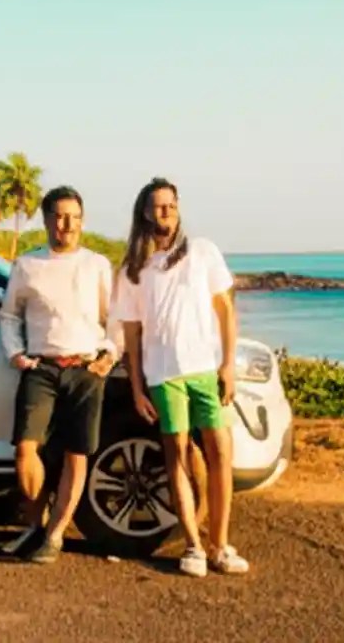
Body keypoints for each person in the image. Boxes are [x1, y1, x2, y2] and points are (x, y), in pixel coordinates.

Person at [110, 177, 249, 577]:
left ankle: (220, 545)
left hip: (205, 369)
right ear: (144, 213)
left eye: (170, 205)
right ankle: (192, 545)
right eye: (157, 206)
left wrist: (228, 365)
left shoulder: (203, 252)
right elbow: (132, 335)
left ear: (179, 208)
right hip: (163, 375)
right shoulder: (134, 270)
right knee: (177, 456)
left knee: (220, 453)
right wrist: (136, 387)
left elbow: (225, 309)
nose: (165, 212)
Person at [0, 185, 119, 563]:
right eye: (60, 216)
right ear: (47, 220)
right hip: (42, 369)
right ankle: (34, 523)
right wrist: (15, 352)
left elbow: (113, 318)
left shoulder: (96, 265)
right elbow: (9, 314)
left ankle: (55, 534)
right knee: (25, 449)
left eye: (75, 217)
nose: (67, 224)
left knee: (76, 453)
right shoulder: (27, 265)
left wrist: (109, 356)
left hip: (85, 368)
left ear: (82, 222)